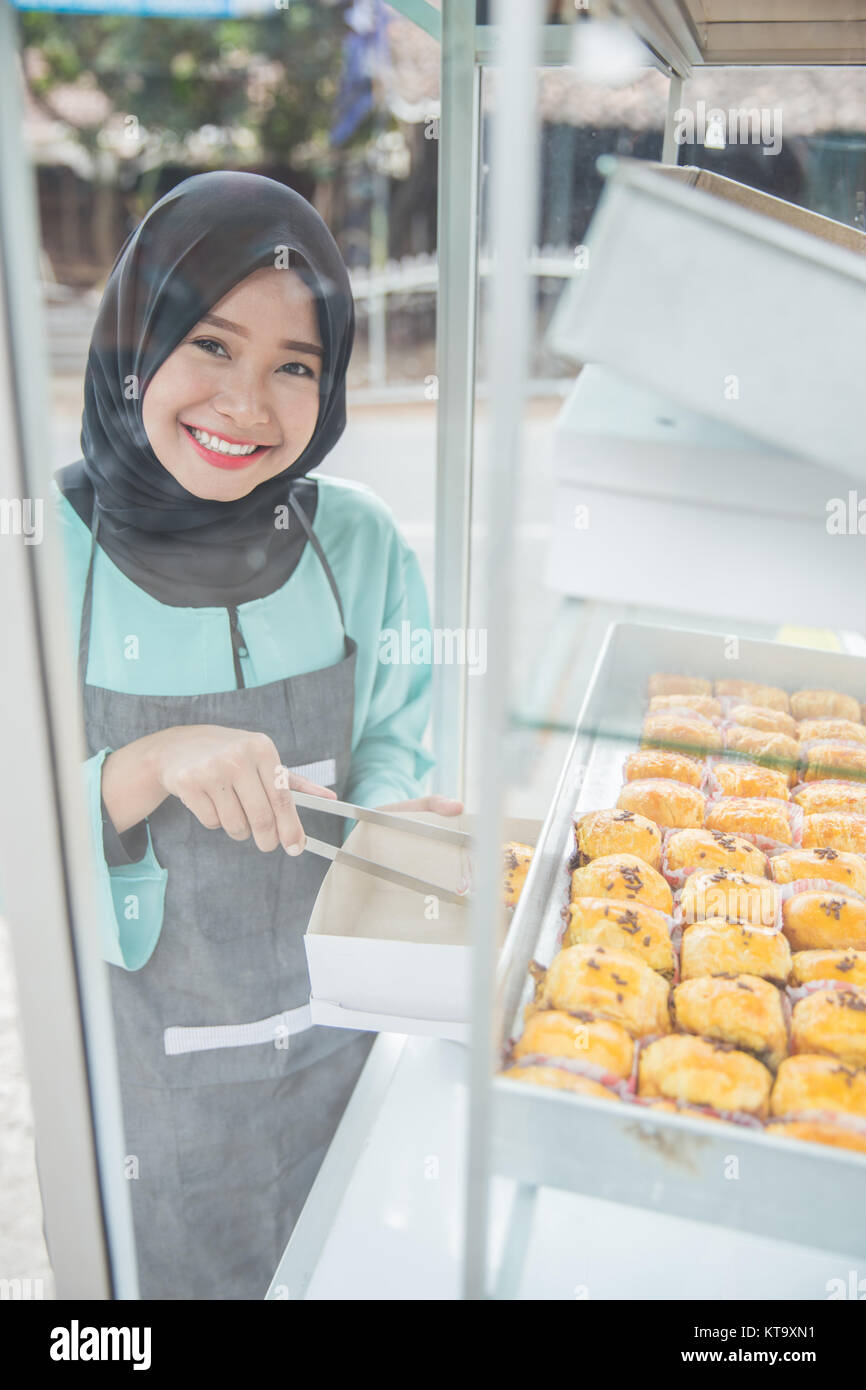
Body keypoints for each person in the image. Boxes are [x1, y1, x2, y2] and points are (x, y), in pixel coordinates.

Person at [52, 170, 462, 1299]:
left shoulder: (361, 542)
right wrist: (141, 764)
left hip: (350, 1041)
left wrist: (391, 813)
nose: (249, 405)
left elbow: (394, 738)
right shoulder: (44, 556)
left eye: (295, 365)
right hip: (147, 1083)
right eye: (212, 344)